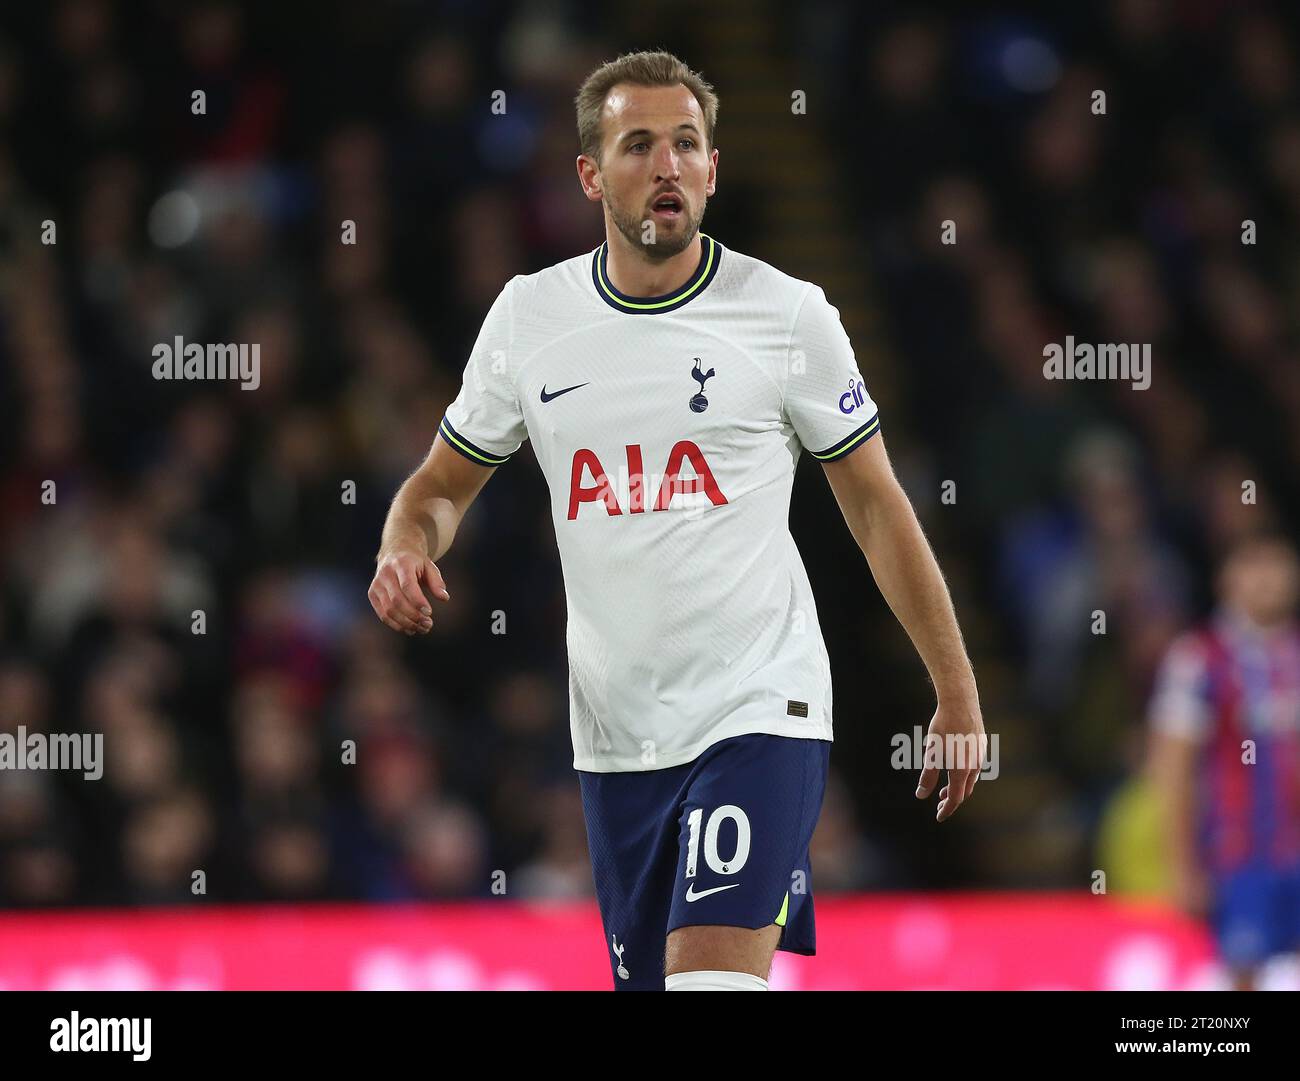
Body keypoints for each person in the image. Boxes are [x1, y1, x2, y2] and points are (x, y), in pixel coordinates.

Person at [369, 50, 984, 991]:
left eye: (686, 144)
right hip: (617, 741)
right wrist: (405, 545)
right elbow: (441, 485)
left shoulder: (787, 318)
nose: (667, 165)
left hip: (759, 710)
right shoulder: (532, 319)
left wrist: (956, 686)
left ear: (712, 169)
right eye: (639, 144)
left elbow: (874, 504)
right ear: (589, 174)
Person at [1149, 529, 1300, 990]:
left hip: (1295, 857)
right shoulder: (1198, 658)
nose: (1267, 579)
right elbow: (1172, 768)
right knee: (1243, 977)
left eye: (1276, 564)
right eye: (1252, 566)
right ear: (1225, 579)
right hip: (1236, 859)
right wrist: (1181, 865)